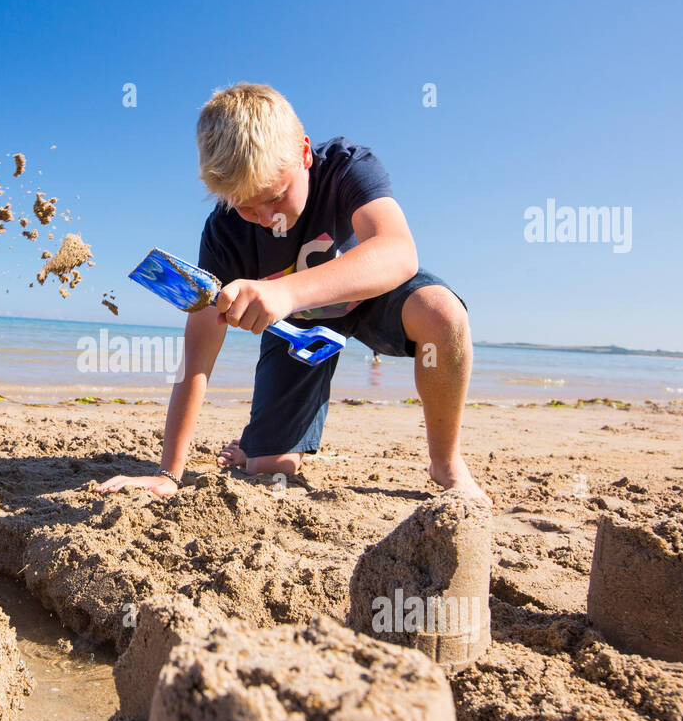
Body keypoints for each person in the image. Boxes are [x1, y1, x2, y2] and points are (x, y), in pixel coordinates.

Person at [96, 83, 490, 506]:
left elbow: (398, 252)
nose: (266, 219)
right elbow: (198, 358)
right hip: (299, 332)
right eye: (247, 207)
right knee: (269, 468)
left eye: (275, 197)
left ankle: (445, 462)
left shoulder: (346, 167)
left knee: (443, 314)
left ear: (304, 154)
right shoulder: (224, 233)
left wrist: (284, 292)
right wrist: (168, 473)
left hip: (370, 295)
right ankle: (257, 443)